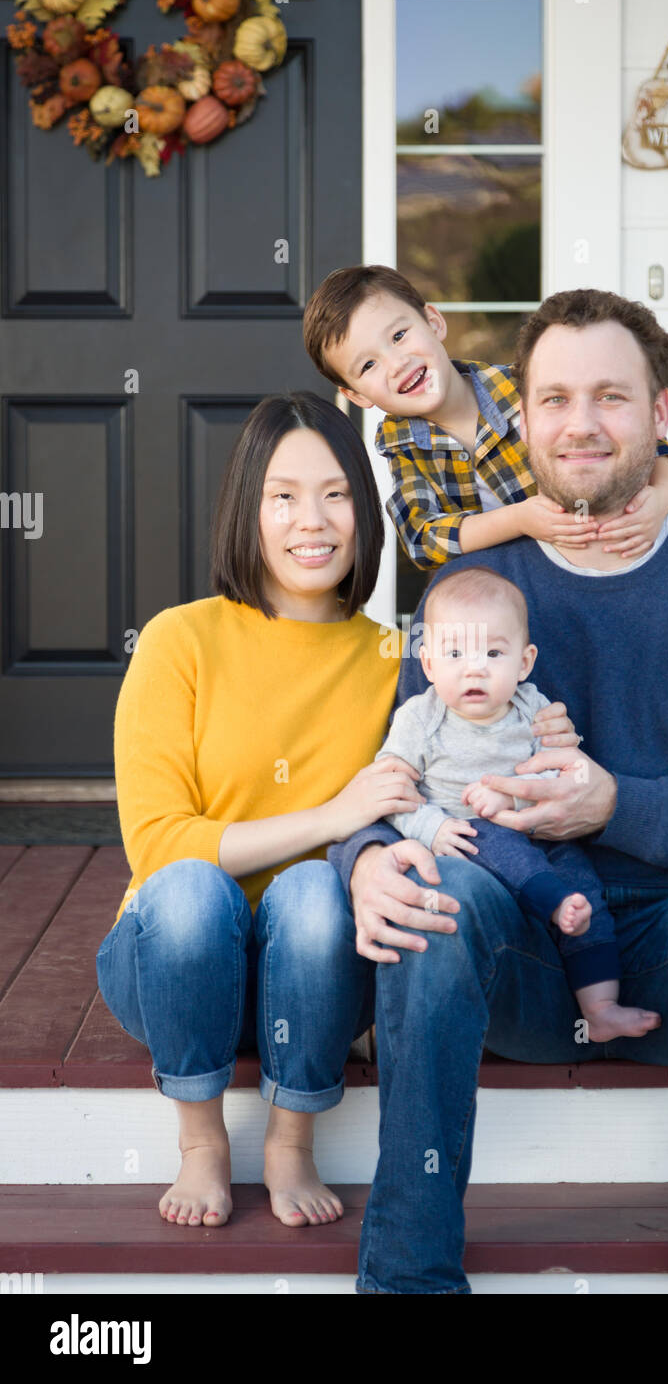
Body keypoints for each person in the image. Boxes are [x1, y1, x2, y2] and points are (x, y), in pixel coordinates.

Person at [328, 288, 668, 1295]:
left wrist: (617, 805)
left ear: (659, 415)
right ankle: (407, 1274)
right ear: (520, 418)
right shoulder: (469, 593)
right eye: (554, 397)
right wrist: (362, 862)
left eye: (609, 396)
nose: (577, 422)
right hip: (516, 959)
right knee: (434, 885)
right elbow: (398, 773)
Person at [96, 392, 423, 1231]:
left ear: (364, 507)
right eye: (283, 496)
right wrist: (330, 815)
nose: (310, 521)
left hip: (319, 971)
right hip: (174, 963)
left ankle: (290, 1141)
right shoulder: (181, 640)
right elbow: (160, 845)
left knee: (315, 894)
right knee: (194, 890)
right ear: (249, 510)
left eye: (336, 493)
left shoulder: (394, 659)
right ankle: (202, 1143)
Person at [375, 562, 660, 1042]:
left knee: (584, 889)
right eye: (455, 652)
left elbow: (557, 773)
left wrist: (516, 791)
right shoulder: (420, 718)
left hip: (538, 835)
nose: (475, 666)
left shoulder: (533, 708)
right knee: (498, 844)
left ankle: (600, 1006)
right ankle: (552, 903)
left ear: (524, 663)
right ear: (427, 664)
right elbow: (392, 793)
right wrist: (432, 829)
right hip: (466, 839)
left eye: (493, 651)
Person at [302, 263, 668, 570]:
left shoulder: (521, 387)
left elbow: (643, 440)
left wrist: (661, 497)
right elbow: (421, 538)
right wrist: (519, 520)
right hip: (509, 600)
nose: (396, 364)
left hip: (602, 558)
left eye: (399, 336)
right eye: (368, 364)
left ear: (433, 322)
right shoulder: (402, 445)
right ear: (355, 395)